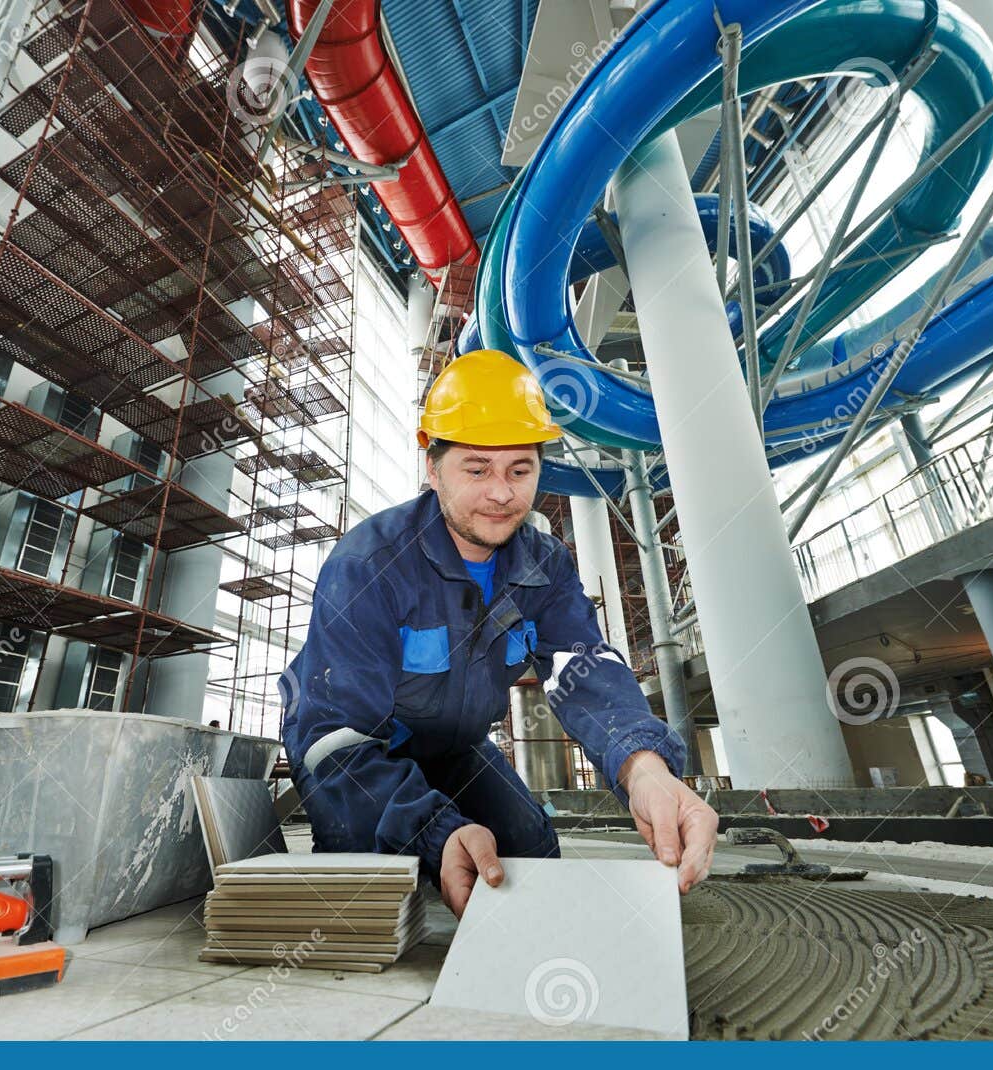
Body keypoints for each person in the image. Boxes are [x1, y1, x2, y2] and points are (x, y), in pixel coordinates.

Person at [280, 350, 718, 915]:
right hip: (358, 753)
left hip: (454, 747)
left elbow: (585, 668)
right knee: (374, 868)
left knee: (529, 856)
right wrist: (438, 835)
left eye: (520, 469)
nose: (502, 493)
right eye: (477, 468)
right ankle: (377, 844)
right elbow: (334, 734)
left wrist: (645, 770)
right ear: (433, 469)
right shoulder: (369, 565)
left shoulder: (545, 567)